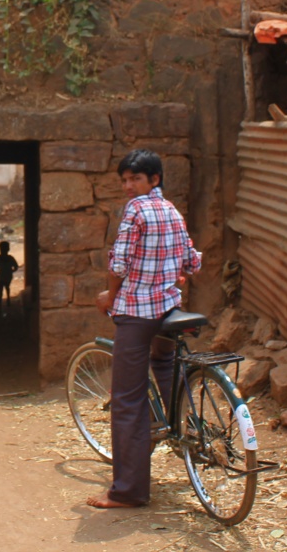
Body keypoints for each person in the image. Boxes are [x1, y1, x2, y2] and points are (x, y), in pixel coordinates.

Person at [87, 149, 201, 511]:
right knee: (165, 366)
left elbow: (119, 263)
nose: (127, 186)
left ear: (154, 179)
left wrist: (110, 296)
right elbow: (192, 262)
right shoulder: (172, 210)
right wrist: (171, 271)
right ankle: (186, 431)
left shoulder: (136, 210)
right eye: (124, 180)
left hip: (139, 312)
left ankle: (128, 491)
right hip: (170, 309)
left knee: (127, 399)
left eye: (135, 178)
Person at [0, 240, 20, 314]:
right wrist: (12, 271)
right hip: (8, 277)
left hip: (1, 277)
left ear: (0, 249)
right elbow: (16, 267)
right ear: (8, 249)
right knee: (7, 287)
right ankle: (8, 298)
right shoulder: (11, 258)